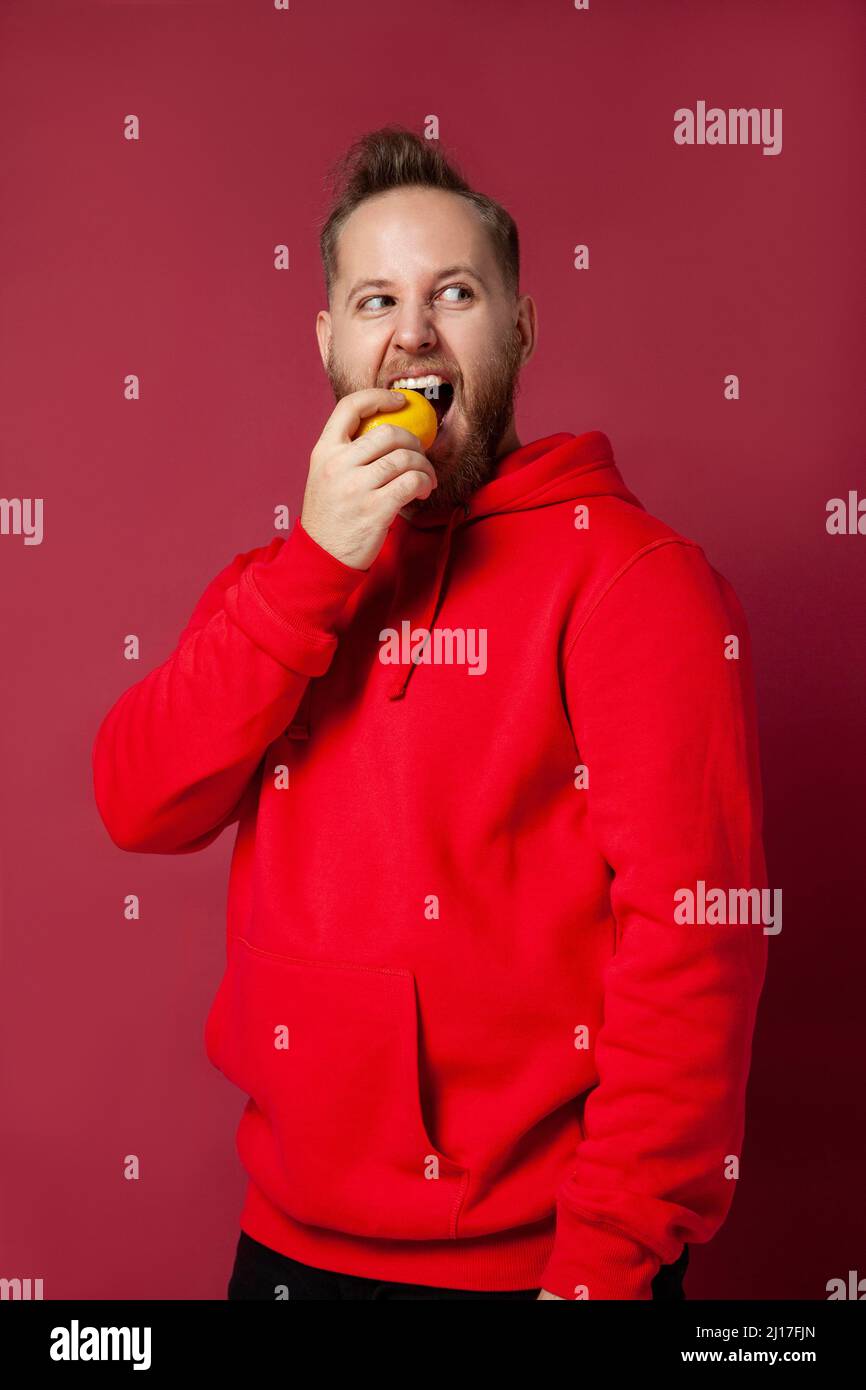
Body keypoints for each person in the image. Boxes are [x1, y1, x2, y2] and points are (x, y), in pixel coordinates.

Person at [92, 125, 769, 1301]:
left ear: (517, 325)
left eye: (453, 291)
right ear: (330, 340)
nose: (411, 332)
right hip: (287, 1252)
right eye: (374, 300)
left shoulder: (629, 577)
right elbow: (135, 801)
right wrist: (314, 567)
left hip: (536, 1270)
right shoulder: (281, 578)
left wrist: (600, 1277)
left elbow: (692, 947)